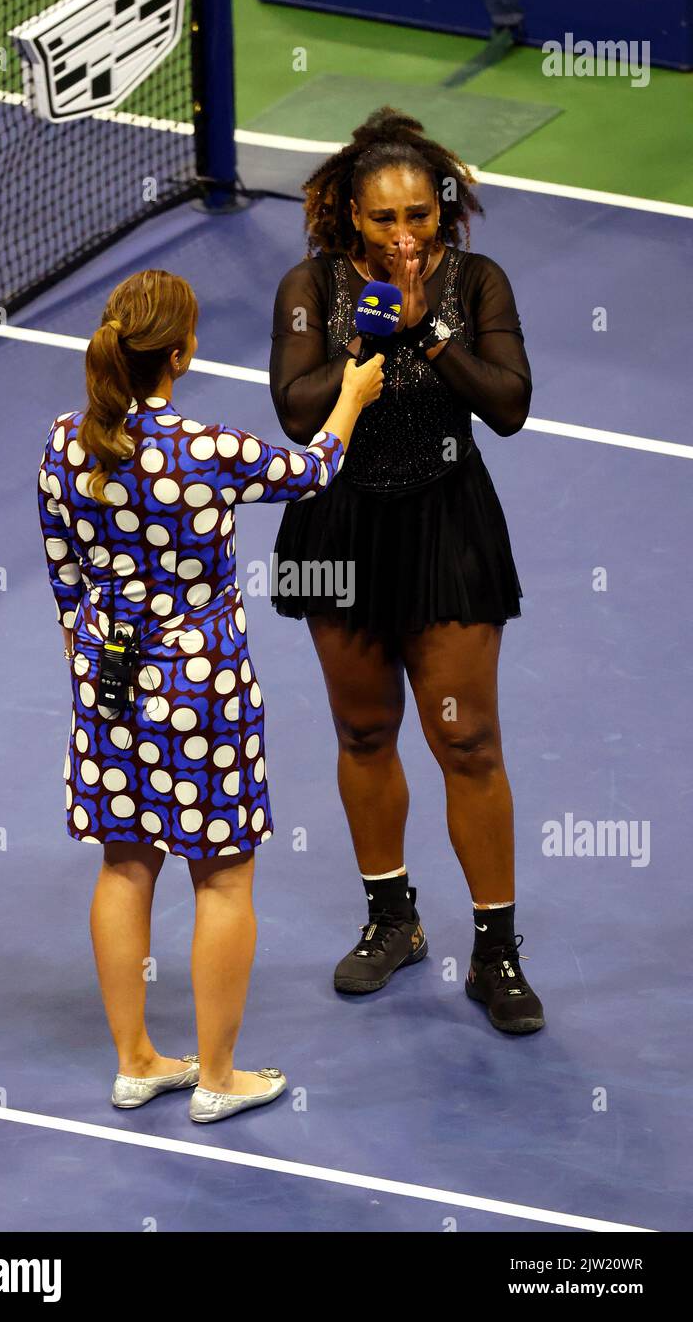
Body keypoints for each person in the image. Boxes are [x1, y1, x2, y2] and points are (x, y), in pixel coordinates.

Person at [37, 268, 385, 1122]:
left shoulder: (62, 443)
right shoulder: (207, 448)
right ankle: (218, 1078)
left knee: (124, 863)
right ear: (181, 354)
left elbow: (64, 580)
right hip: (204, 688)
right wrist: (352, 397)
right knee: (223, 878)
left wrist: (99, 663)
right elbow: (310, 472)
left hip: (106, 681)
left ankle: (135, 1062)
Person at [268, 106, 545, 1034]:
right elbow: (299, 417)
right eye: (383, 219)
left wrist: (428, 334)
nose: (403, 235)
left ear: (442, 210)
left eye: (419, 215)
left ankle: (496, 952)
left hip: (446, 524)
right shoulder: (308, 286)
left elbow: (508, 405)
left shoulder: (478, 282)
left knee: (466, 742)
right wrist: (366, 349)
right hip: (333, 529)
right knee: (360, 731)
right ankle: (393, 922)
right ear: (350, 213)